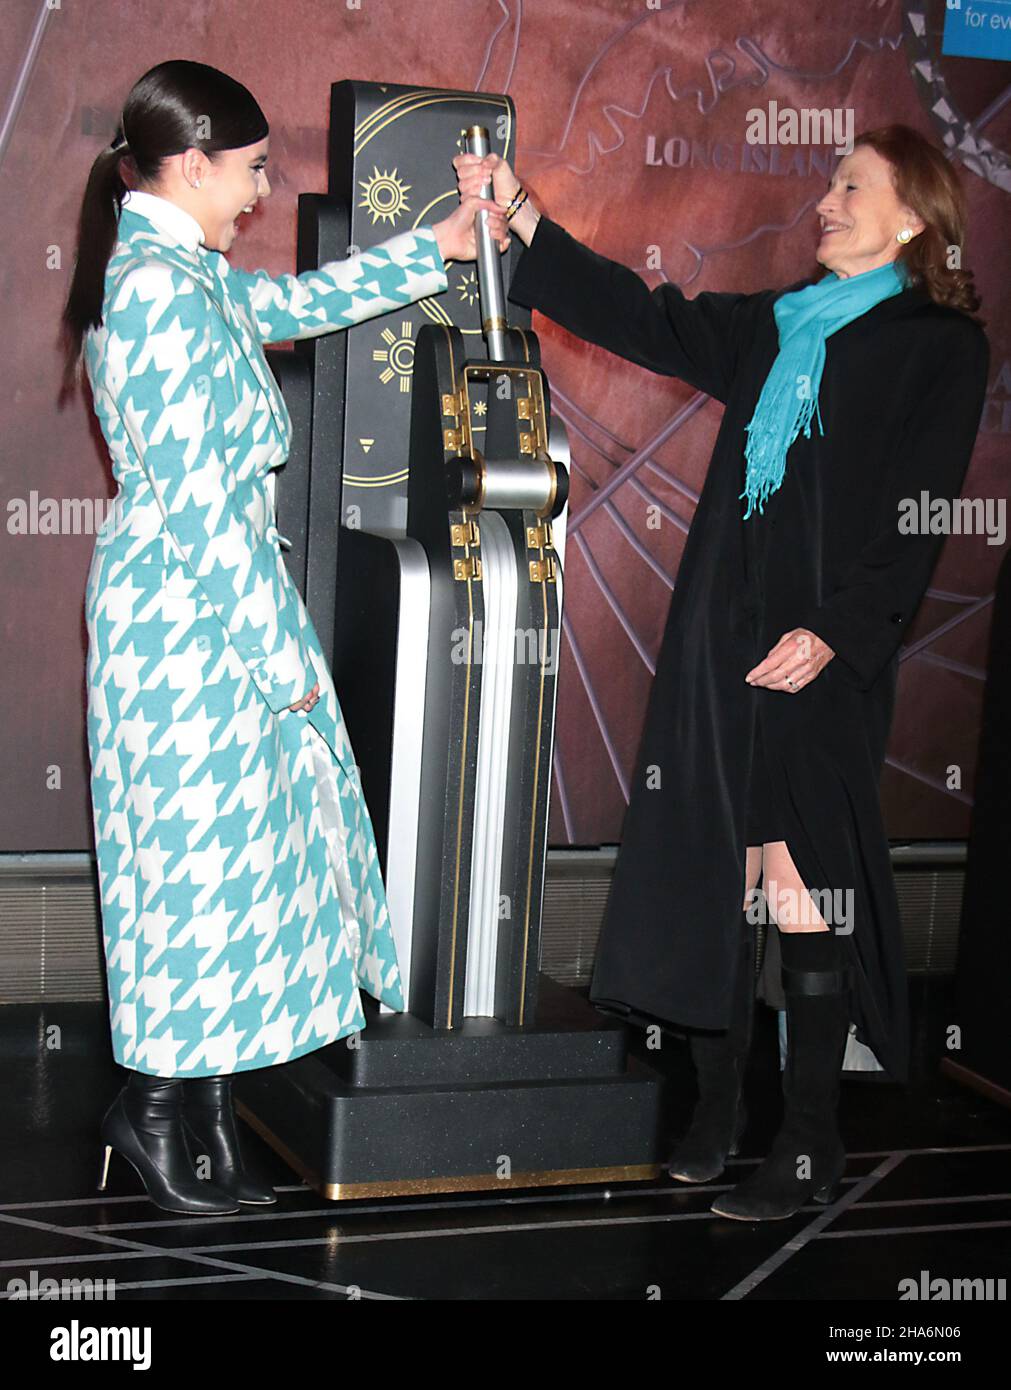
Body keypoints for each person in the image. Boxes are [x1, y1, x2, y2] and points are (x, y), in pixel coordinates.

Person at [455, 124, 989, 1220]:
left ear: (914, 219)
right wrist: (527, 214)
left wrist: (842, 631)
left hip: (822, 653)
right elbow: (638, 318)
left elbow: (916, 519)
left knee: (799, 884)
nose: (826, 202)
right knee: (724, 871)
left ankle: (806, 1143)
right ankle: (713, 1115)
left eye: (852, 187)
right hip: (722, 637)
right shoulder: (774, 322)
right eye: (831, 184)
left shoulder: (941, 345)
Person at [61, 60, 508, 1216]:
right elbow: (205, 514)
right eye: (254, 170)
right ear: (193, 163)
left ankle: (195, 1114)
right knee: (189, 878)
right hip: (185, 625)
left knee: (223, 878)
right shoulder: (156, 290)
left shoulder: (181, 272)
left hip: (205, 618)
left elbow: (296, 307)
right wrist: (283, 664)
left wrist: (441, 247)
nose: (264, 192)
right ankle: (156, 1114)